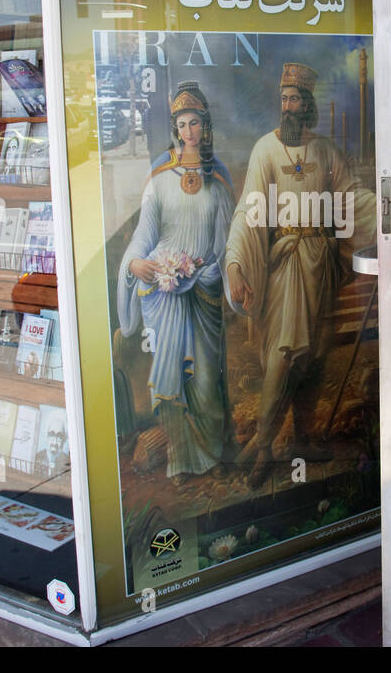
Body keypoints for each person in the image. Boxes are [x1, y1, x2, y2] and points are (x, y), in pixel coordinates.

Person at [225, 62, 375, 488]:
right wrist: (236, 263)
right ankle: (266, 446)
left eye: (296, 100)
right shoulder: (264, 151)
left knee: (315, 357)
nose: (288, 107)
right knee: (282, 356)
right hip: (285, 266)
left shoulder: (326, 151)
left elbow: (351, 197)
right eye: (284, 99)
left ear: (307, 106)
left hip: (320, 266)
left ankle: (303, 439)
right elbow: (248, 210)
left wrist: (384, 207)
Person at [117, 82, 235, 484]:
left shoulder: (217, 181)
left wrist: (208, 273)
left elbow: (225, 242)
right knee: (169, 380)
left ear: (205, 127)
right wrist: (136, 263)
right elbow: (143, 237)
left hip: (204, 291)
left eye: (195, 123)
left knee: (204, 380)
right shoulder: (160, 179)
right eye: (182, 124)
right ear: (175, 129)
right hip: (165, 294)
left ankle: (212, 457)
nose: (188, 131)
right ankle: (181, 461)